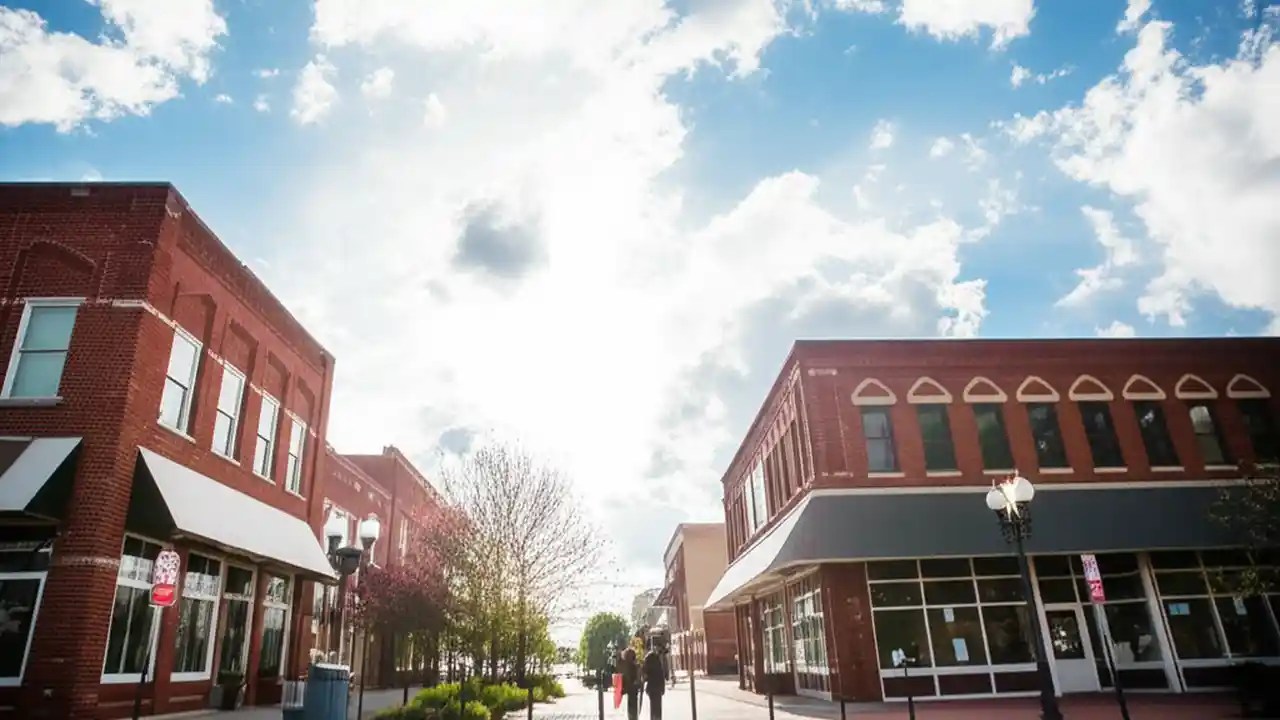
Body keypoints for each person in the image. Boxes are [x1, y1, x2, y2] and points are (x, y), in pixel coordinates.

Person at [643, 646, 665, 720]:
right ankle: (658, 718)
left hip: (651, 687)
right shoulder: (658, 661)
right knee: (658, 705)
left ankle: (653, 718)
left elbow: (645, 676)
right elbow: (661, 675)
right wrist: (663, 688)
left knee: (653, 705)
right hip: (658, 687)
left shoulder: (647, 661)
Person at [620, 648, 641, 720]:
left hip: (630, 689)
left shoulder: (628, 666)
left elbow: (626, 678)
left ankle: (632, 718)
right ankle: (633, 718)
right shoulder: (635, 665)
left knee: (631, 707)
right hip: (634, 689)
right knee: (633, 706)